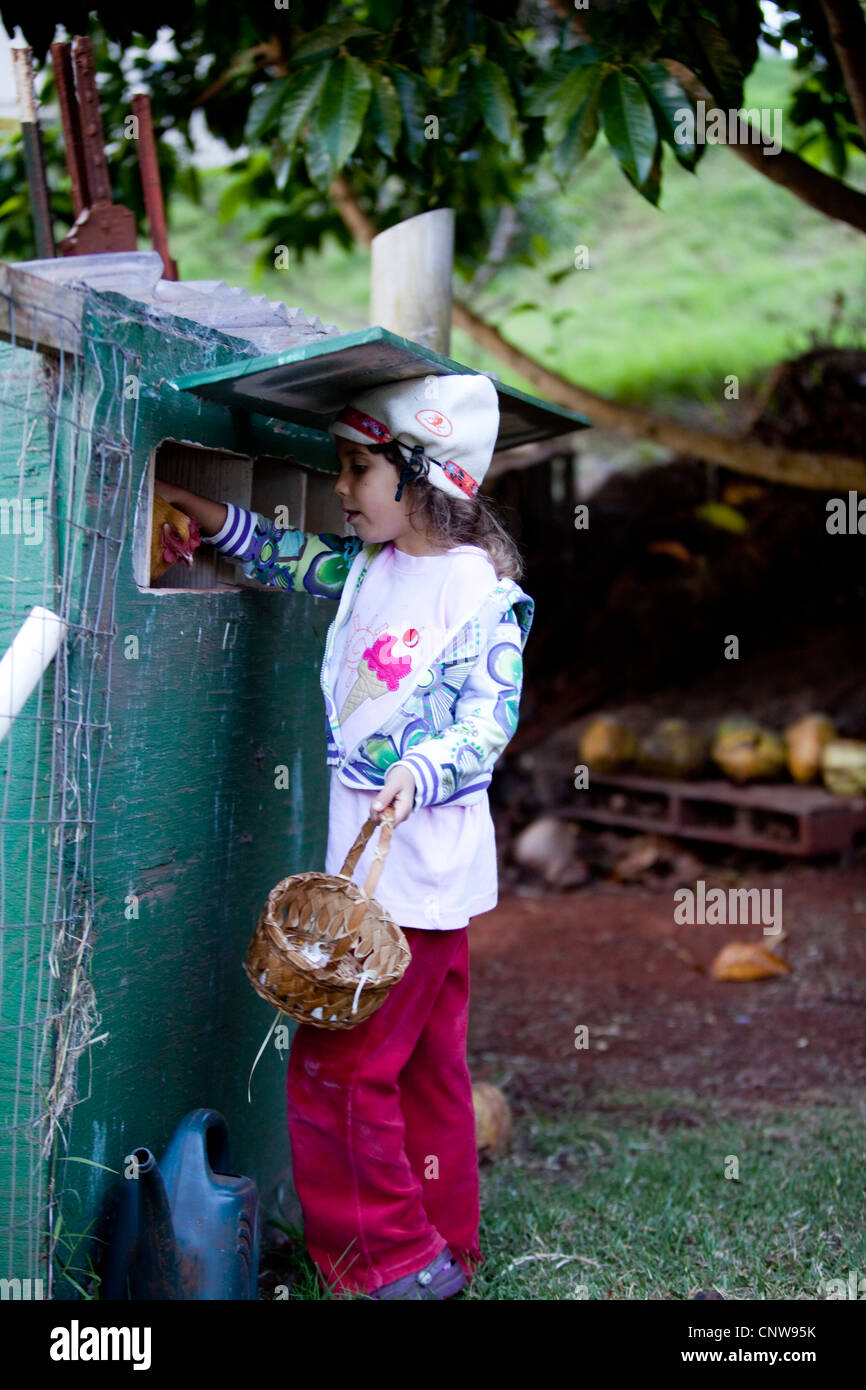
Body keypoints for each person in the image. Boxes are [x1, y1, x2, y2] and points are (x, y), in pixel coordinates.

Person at [154, 373, 534, 1300]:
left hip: (417, 880)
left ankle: (391, 1264)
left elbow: (490, 718)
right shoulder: (370, 565)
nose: (343, 489)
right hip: (394, 888)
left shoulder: (477, 591)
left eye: (359, 470)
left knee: (337, 1074)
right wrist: (197, 508)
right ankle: (445, 1247)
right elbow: (285, 555)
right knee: (428, 1075)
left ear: (422, 478)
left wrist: (422, 770)